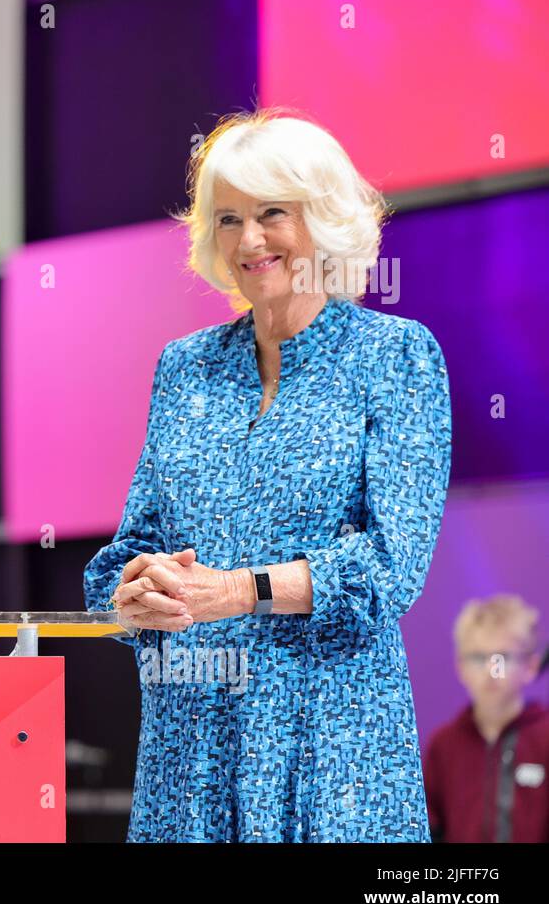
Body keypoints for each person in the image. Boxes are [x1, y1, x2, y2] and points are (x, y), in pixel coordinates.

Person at [83, 109, 452, 841]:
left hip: (332, 743)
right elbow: (128, 549)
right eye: (228, 219)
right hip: (188, 747)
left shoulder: (397, 357)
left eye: (271, 214)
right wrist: (133, 589)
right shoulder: (183, 367)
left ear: (325, 219)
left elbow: (389, 567)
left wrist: (238, 591)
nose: (249, 240)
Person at [424, 595, 549, 842]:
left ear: (531, 666)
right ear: (460, 667)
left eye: (502, 657)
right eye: (479, 658)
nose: (492, 672)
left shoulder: (545, 738)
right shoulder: (443, 745)